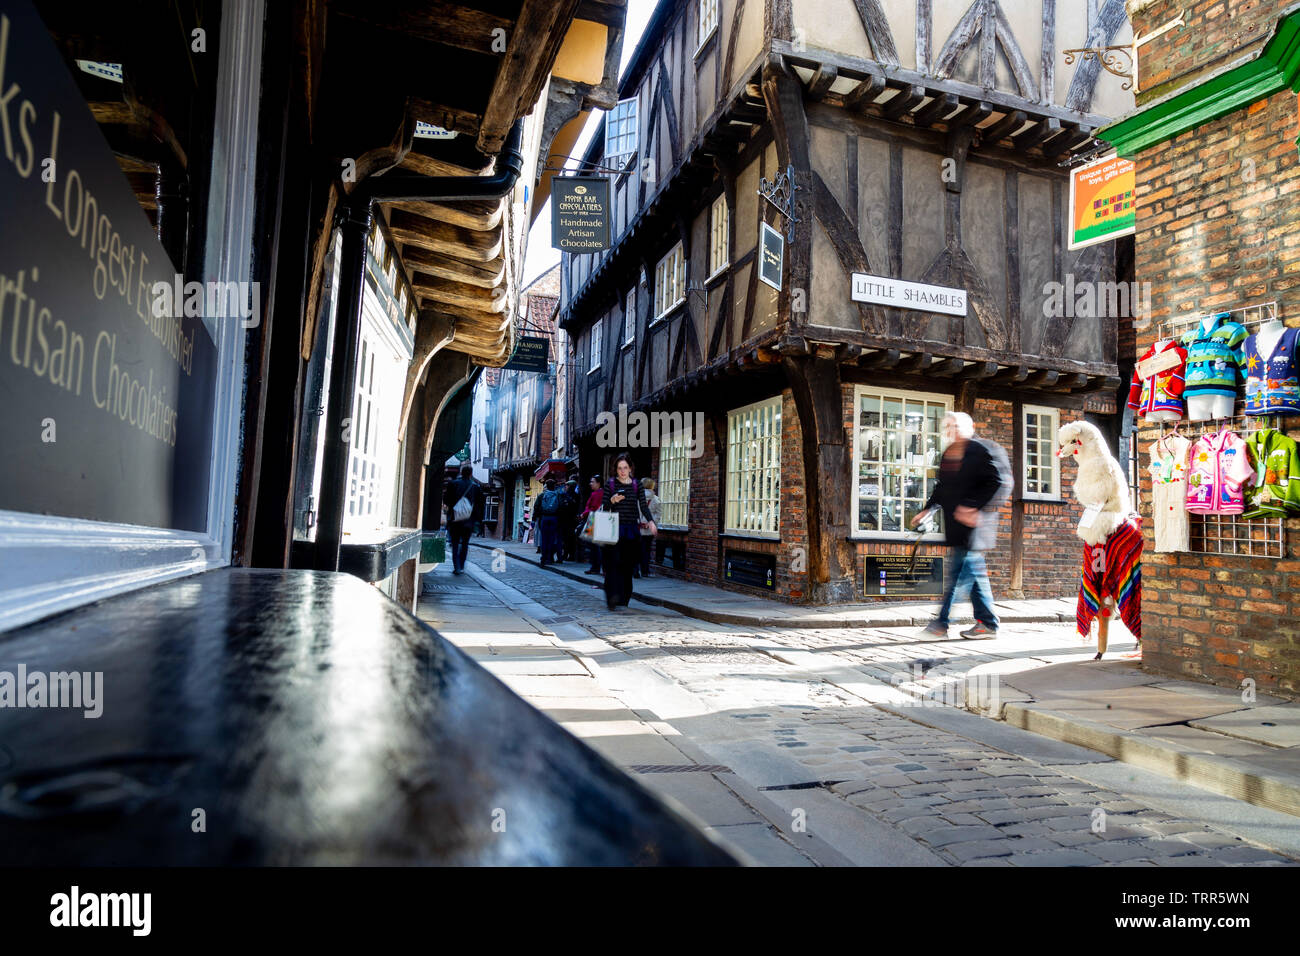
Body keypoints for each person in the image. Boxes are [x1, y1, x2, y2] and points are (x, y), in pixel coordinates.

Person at [910, 411, 1012, 639]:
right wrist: (927, 509)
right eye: (948, 426)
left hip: (975, 525)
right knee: (974, 574)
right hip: (955, 525)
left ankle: (941, 624)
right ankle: (988, 624)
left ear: (970, 427)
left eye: (956, 426)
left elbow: (1000, 482)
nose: (952, 430)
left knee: (958, 573)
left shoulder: (983, 450)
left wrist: (975, 507)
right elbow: (941, 488)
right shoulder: (948, 454)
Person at [601, 454, 657, 610]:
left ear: (630, 468)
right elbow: (604, 507)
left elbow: (643, 506)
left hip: (631, 530)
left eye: (625, 468)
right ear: (616, 470)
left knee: (628, 565)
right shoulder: (610, 484)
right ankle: (612, 597)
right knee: (613, 564)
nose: (622, 471)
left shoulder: (636, 484)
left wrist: (651, 521)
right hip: (613, 530)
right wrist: (612, 501)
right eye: (619, 468)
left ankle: (624, 597)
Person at [443, 465, 485, 575]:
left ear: (461, 472)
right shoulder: (475, 487)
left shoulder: (453, 484)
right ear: (471, 474)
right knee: (465, 544)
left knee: (455, 543)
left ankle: (456, 566)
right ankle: (461, 566)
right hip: (468, 521)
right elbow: (480, 505)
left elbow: (446, 500)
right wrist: (477, 520)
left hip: (454, 519)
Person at [536, 478, 564, 567]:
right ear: (554, 486)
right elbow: (561, 507)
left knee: (544, 539)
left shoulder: (541, 495)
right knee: (552, 539)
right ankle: (550, 558)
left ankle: (543, 558)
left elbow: (536, 507)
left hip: (544, 518)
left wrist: (535, 519)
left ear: (546, 486)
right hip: (554, 519)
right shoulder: (558, 495)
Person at [579, 475, 604, 575]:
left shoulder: (597, 494)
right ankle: (596, 567)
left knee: (594, 546)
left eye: (592, 482)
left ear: (598, 483)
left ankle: (595, 567)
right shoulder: (600, 493)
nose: (591, 484)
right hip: (598, 519)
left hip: (593, 519)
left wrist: (583, 514)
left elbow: (592, 508)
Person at [638, 477, 662, 578]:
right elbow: (658, 514)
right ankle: (645, 571)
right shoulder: (656, 499)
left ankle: (635, 571)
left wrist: (639, 521)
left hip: (638, 527)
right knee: (647, 550)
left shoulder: (637, 497)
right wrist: (650, 522)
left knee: (636, 549)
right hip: (649, 529)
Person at [559, 479, 580, 561]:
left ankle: (570, 555)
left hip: (571, 520)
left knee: (570, 538)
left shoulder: (574, 496)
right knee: (565, 538)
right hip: (565, 519)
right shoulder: (567, 495)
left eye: (567, 485)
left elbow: (574, 506)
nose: (566, 487)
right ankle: (566, 554)